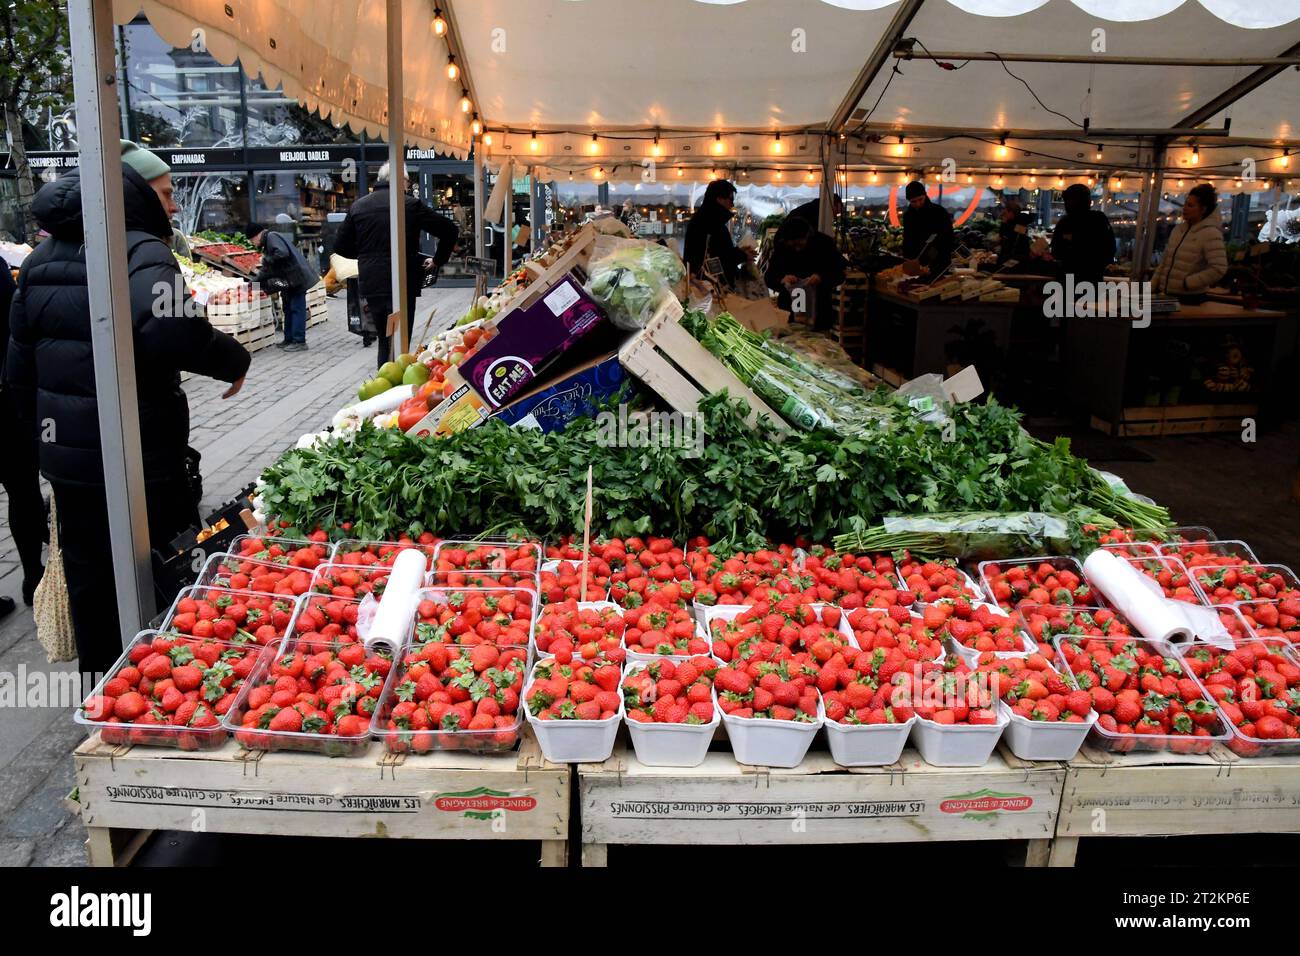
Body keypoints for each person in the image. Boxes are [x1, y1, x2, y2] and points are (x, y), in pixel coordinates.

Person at [4, 141, 251, 680]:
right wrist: (233, 358)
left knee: (91, 575)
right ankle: (174, 673)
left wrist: (46, 448)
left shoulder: (42, 260)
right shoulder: (138, 248)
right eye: (163, 194)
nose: (172, 206)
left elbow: (19, 371)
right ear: (132, 193)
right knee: (171, 560)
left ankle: (105, 683)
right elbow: (172, 325)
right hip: (141, 455)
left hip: (73, 468)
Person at [333, 162, 460, 368]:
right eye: (408, 183)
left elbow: (340, 246)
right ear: (401, 181)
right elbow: (449, 230)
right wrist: (438, 260)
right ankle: (396, 383)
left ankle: (383, 380)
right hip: (403, 279)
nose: (408, 187)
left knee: (385, 337)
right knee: (400, 338)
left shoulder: (359, 206)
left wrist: (367, 256)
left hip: (373, 281)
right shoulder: (409, 205)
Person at [0, 255, 45, 615]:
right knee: (23, 491)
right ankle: (33, 577)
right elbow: (17, 330)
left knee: (24, 494)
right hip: (5, 403)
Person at [245, 221, 318, 352]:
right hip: (288, 282)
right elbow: (266, 271)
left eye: (251, 240)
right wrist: (253, 283)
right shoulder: (268, 242)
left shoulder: (272, 237)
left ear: (256, 236)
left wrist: (266, 260)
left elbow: (282, 253)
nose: (253, 243)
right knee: (288, 309)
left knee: (296, 309)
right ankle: (289, 339)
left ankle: (299, 341)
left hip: (296, 279)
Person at [764, 216, 847, 331]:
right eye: (793, 245)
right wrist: (782, 280)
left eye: (800, 244)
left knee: (816, 346)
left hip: (818, 311)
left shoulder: (824, 243)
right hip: (789, 312)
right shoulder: (782, 248)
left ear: (808, 235)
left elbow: (839, 273)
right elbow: (769, 277)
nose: (797, 249)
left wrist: (821, 277)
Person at [1152, 183, 1228, 299]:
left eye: (1190, 205)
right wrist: (1153, 286)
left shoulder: (1210, 233)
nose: (1185, 208)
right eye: (1185, 204)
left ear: (1203, 209)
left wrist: (1188, 283)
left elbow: (1219, 268)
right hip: (1166, 294)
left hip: (1190, 298)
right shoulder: (1178, 230)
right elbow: (1165, 262)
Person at [683, 179, 752, 287]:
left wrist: (739, 251)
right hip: (710, 287)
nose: (732, 204)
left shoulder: (706, 218)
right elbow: (720, 258)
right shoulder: (710, 222)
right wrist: (742, 255)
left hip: (707, 284)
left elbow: (717, 250)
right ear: (719, 199)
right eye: (730, 199)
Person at [1051, 183, 1115, 286]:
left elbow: (1056, 251)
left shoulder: (1066, 222)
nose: (1066, 204)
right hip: (1092, 279)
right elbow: (1110, 250)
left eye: (1069, 200)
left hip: (1070, 279)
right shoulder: (1099, 219)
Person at [901, 181, 954, 276]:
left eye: (920, 199)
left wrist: (937, 249)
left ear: (925, 195)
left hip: (939, 262)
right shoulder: (908, 216)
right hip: (916, 264)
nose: (918, 204)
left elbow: (949, 236)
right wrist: (907, 256)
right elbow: (908, 238)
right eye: (913, 201)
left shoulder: (939, 211)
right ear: (909, 200)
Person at [996, 199, 1033, 267]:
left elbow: (1011, 238)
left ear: (1011, 213)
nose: (1004, 214)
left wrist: (1004, 224)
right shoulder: (1019, 222)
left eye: (1006, 212)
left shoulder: (1018, 223)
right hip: (1015, 256)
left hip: (1013, 257)